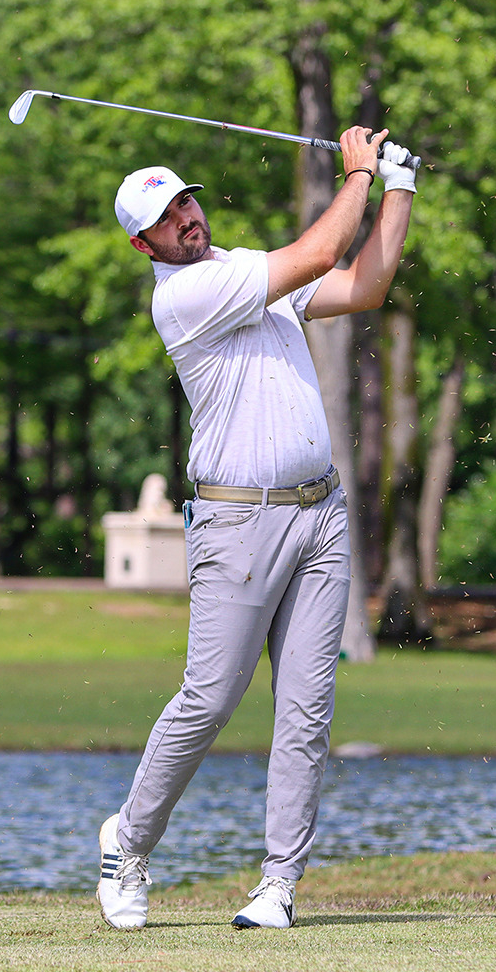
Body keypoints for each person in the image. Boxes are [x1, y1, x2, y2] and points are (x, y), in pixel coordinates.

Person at [98, 126, 417, 930]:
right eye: (167, 217)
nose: (186, 219)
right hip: (239, 525)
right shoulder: (186, 296)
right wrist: (357, 175)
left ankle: (278, 884)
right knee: (210, 698)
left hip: (321, 516)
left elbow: (362, 286)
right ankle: (129, 843)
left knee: (306, 710)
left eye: (187, 201)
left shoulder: (241, 269)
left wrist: (399, 191)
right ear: (146, 244)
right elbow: (315, 255)